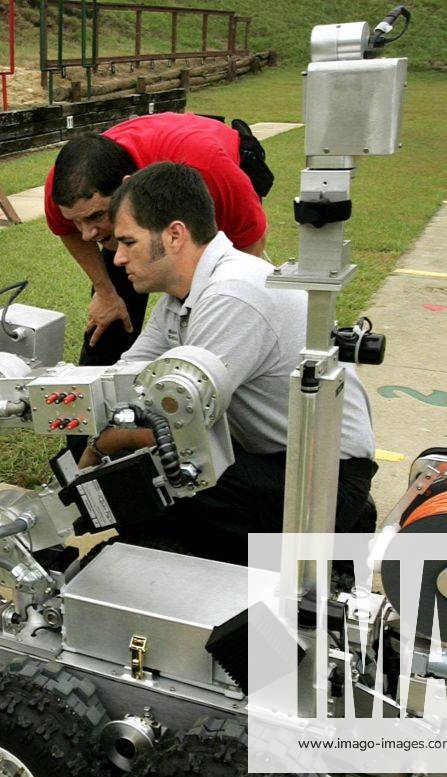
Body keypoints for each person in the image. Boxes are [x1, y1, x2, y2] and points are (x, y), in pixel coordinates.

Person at [79, 162, 378, 566]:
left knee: (140, 488)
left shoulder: (232, 295)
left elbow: (180, 428)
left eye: (128, 242)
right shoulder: (181, 295)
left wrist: (102, 447)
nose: (118, 258)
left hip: (323, 479)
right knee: (128, 475)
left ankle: (314, 557)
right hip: (277, 458)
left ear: (174, 236)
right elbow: (125, 380)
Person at [43, 113, 270, 367]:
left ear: (125, 188)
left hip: (208, 166)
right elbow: (67, 231)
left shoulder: (209, 168)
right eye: (78, 221)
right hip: (147, 183)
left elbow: (250, 239)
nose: (88, 234)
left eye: (96, 216)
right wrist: (106, 292)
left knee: (208, 301)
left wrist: (224, 304)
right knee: (113, 307)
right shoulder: (65, 182)